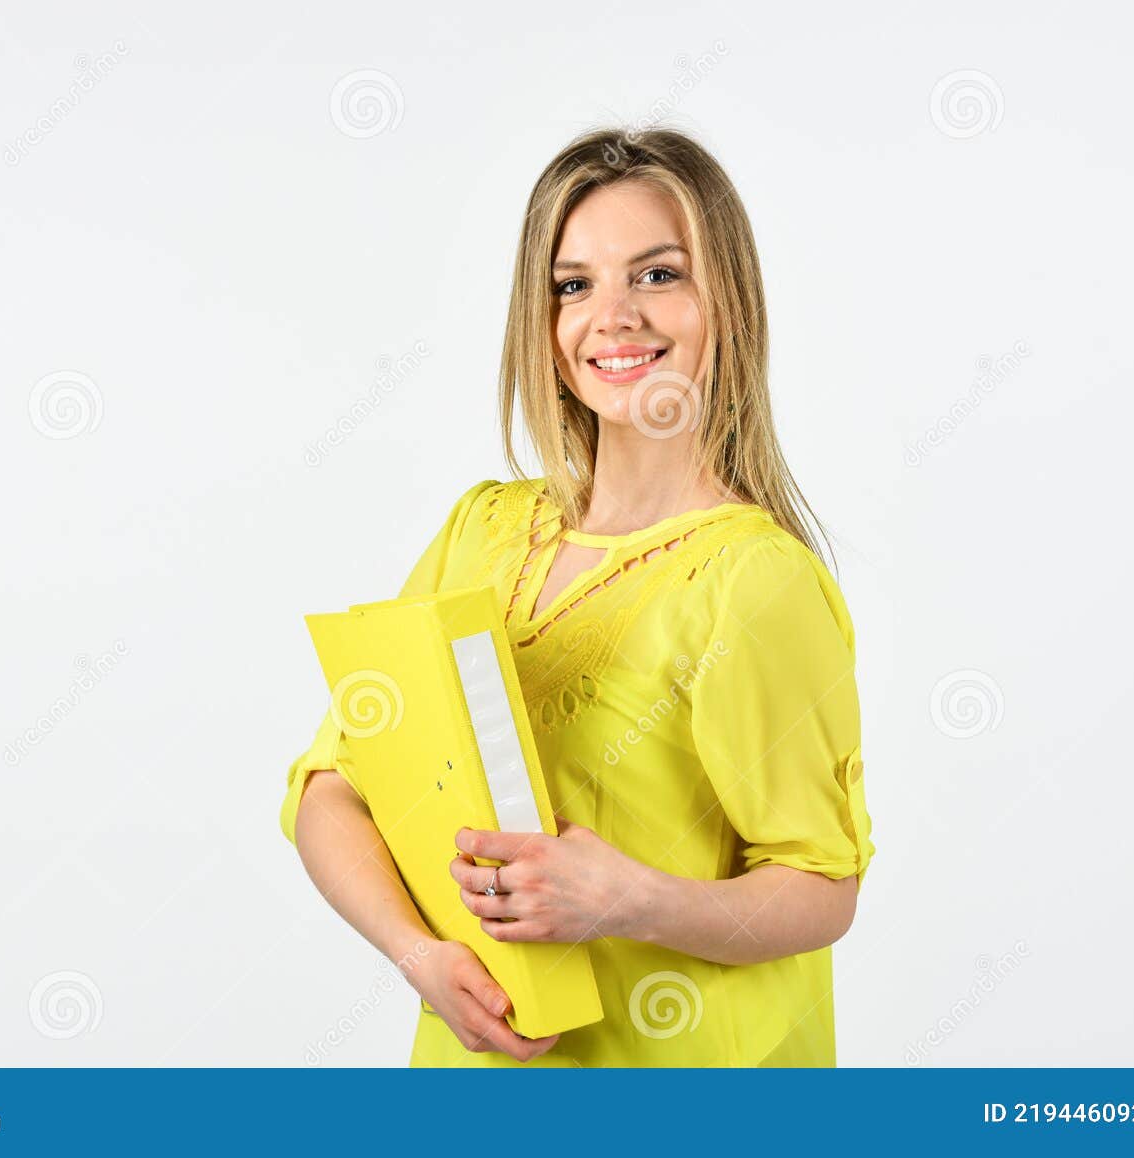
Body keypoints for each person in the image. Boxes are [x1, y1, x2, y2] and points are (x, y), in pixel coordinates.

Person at [279, 126, 874, 1066]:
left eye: (658, 274)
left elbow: (821, 886)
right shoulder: (481, 533)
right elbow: (331, 791)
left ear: (728, 300)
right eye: (573, 285)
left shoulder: (754, 580)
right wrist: (420, 956)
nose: (613, 317)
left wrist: (628, 901)